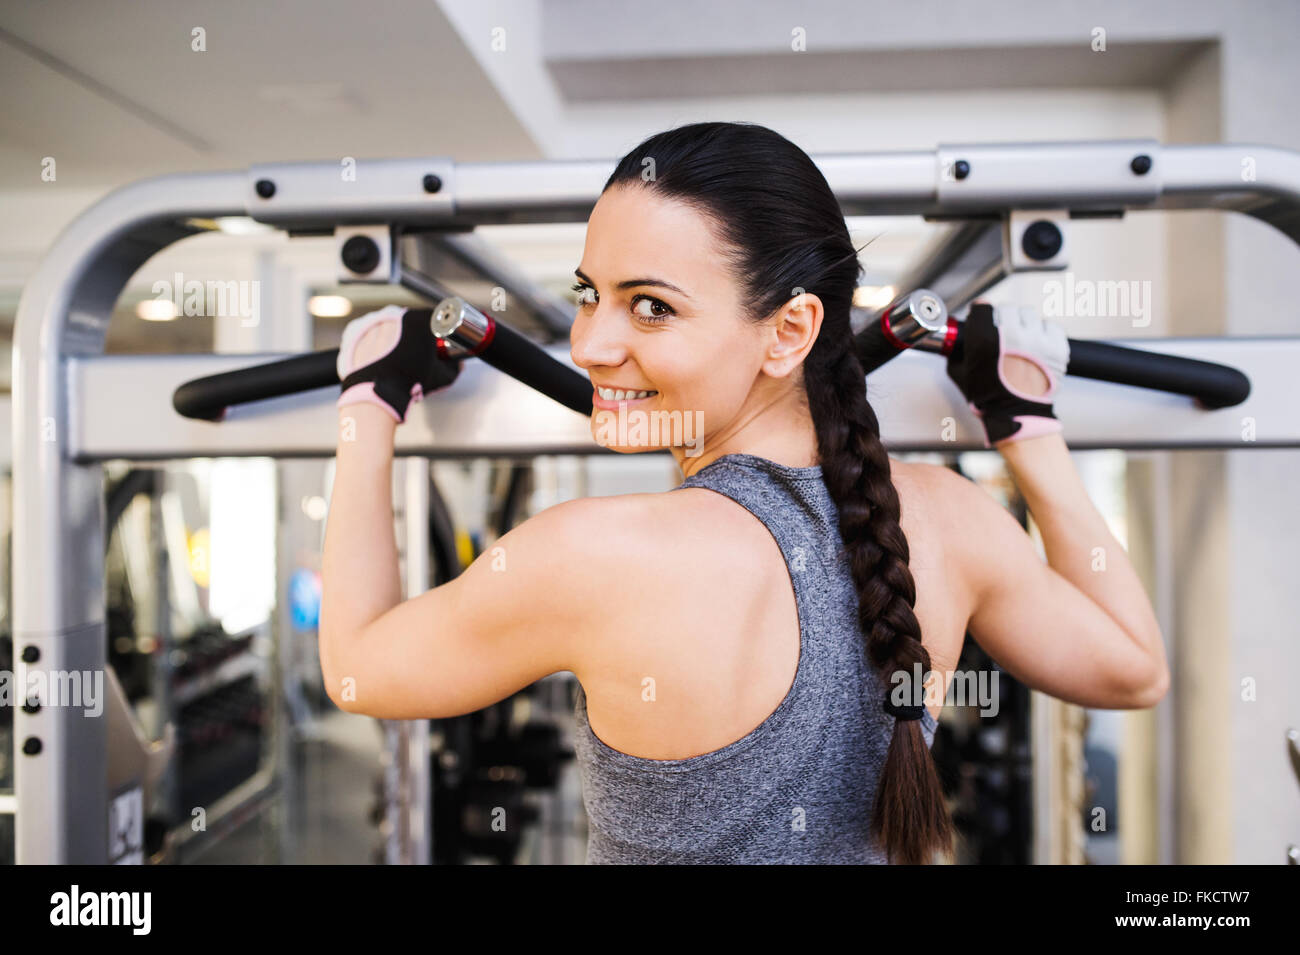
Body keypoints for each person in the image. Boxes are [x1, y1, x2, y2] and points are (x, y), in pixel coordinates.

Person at [319, 121, 1169, 864]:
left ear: (791, 330)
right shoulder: (950, 520)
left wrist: (369, 404)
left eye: (650, 307)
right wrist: (1025, 424)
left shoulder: (592, 555)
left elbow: (356, 670)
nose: (590, 344)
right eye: (591, 295)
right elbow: (1134, 670)